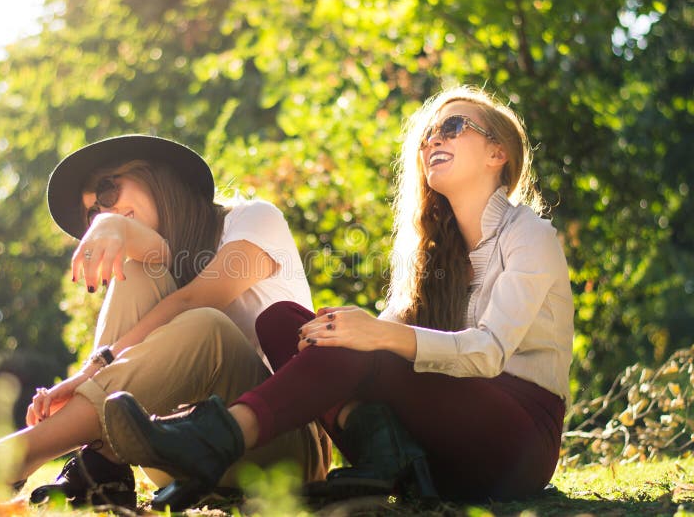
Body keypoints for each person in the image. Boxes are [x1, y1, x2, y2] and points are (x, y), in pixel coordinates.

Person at [101, 85, 575, 506]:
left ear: (498, 154)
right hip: (438, 451)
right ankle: (384, 456)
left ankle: (213, 438)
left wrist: (376, 335)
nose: (434, 140)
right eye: (428, 134)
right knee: (288, 322)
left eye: (453, 126)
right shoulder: (429, 254)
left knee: (359, 340)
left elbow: (489, 352)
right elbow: (367, 350)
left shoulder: (529, 235)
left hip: (514, 446)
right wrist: (350, 329)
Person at [0, 135, 330, 509]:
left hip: (285, 443)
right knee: (140, 268)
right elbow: (159, 261)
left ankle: (13, 456)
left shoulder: (254, 219)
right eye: (91, 215)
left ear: (153, 173)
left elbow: (201, 299)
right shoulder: (159, 267)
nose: (99, 213)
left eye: (107, 191)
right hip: (176, 452)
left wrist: (92, 370)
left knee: (207, 324)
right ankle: (104, 465)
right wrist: (115, 230)